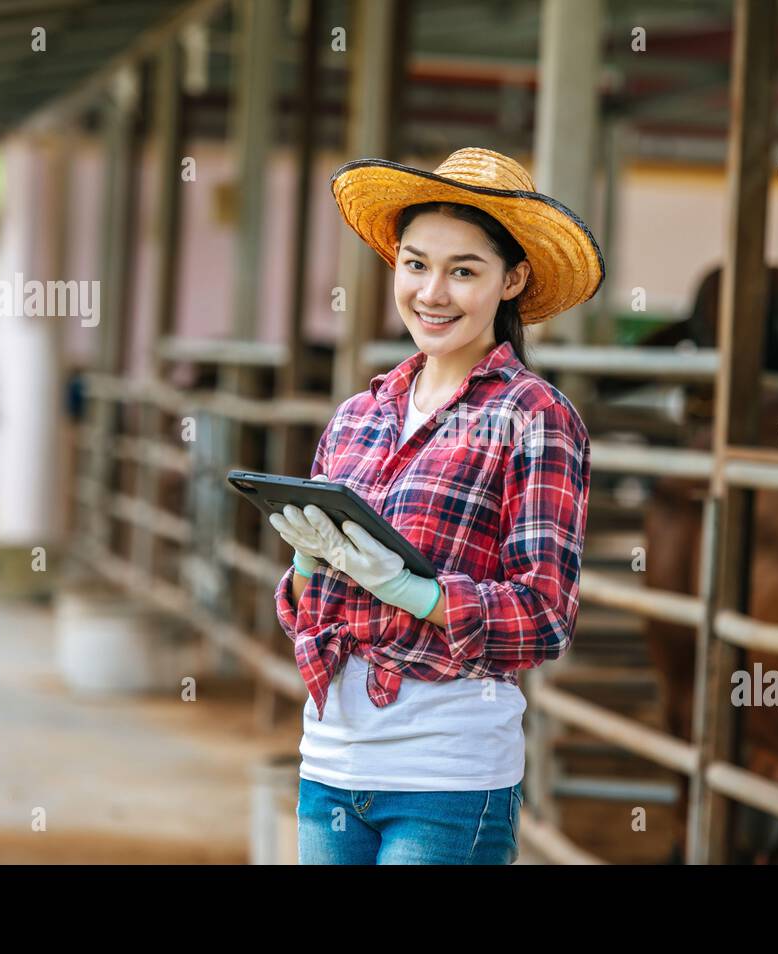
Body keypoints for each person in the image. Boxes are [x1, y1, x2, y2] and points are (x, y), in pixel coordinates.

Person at [268, 146, 603, 864]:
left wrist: (417, 595)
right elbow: (309, 609)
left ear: (512, 280)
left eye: (464, 271)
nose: (433, 293)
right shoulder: (358, 415)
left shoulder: (535, 416)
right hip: (329, 762)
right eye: (416, 264)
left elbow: (544, 617)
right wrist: (305, 564)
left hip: (446, 776)